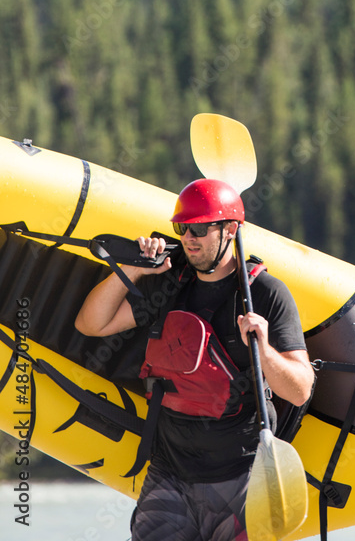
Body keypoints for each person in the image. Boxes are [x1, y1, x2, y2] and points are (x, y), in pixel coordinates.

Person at [75, 178, 314, 541]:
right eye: (182, 227)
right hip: (170, 474)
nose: (189, 237)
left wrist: (263, 348)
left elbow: (299, 390)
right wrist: (135, 269)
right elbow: (91, 324)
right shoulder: (170, 283)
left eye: (199, 228)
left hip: (242, 478)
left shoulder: (265, 294)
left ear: (230, 229)